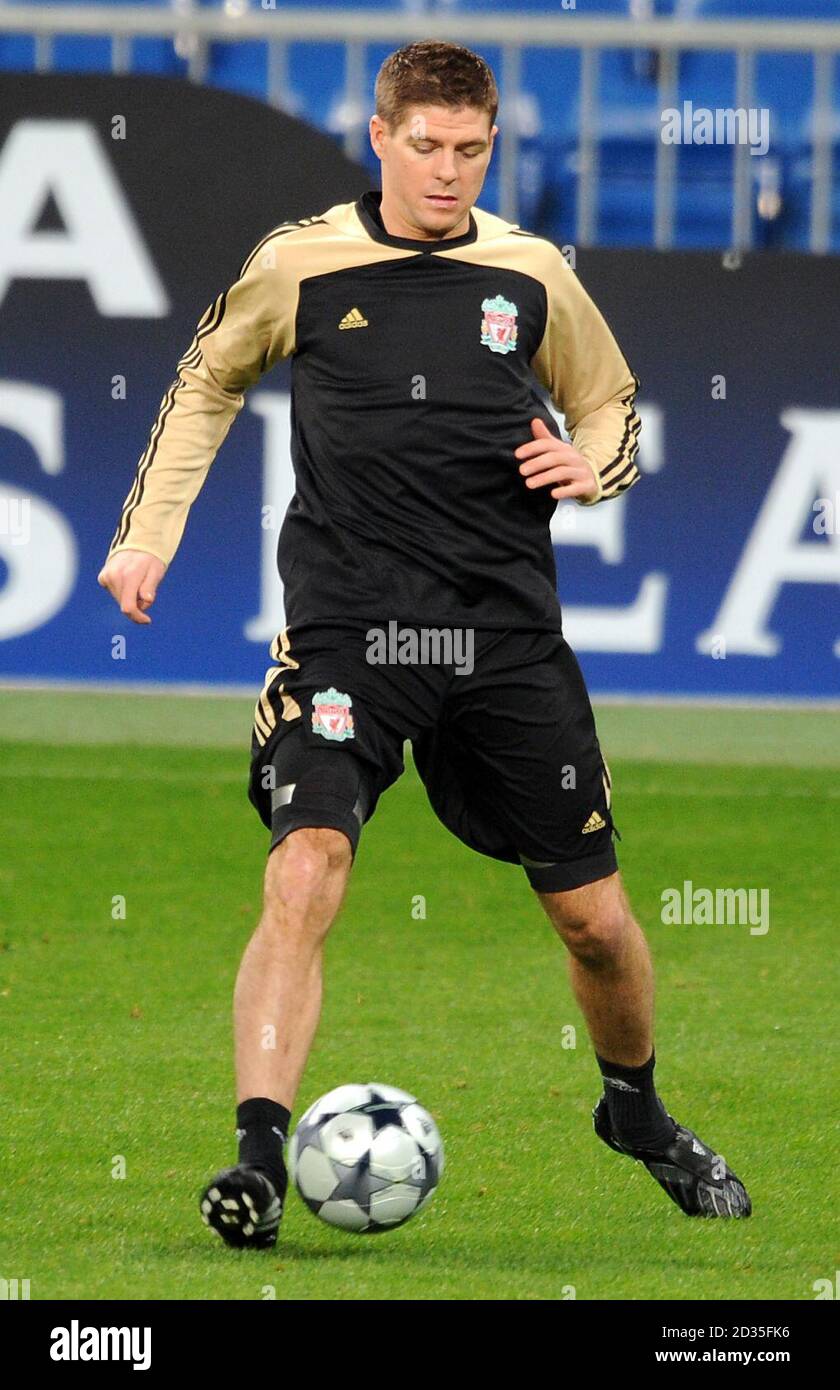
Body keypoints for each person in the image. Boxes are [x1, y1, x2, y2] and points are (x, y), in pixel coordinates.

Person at [98, 40, 751, 1248]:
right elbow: (206, 383)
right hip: (349, 634)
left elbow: (612, 406)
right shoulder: (298, 262)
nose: (448, 171)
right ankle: (253, 1157)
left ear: (491, 143)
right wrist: (150, 535)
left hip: (504, 636)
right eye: (426, 146)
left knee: (595, 923)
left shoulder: (531, 270)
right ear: (380, 134)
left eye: (471, 148)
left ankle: (635, 1109)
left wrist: (589, 466)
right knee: (307, 867)